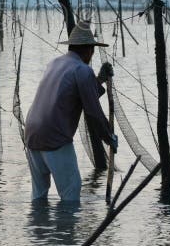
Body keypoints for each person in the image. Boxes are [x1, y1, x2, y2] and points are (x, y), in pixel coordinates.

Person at [25, 20, 118, 202]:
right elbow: (93, 112)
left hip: (32, 134)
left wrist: (99, 79)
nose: (91, 54)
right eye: (92, 50)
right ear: (88, 50)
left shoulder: (54, 64)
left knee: (39, 196)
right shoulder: (81, 69)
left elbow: (73, 94)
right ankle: (66, 231)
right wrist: (109, 137)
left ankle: (37, 229)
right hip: (55, 138)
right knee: (71, 195)